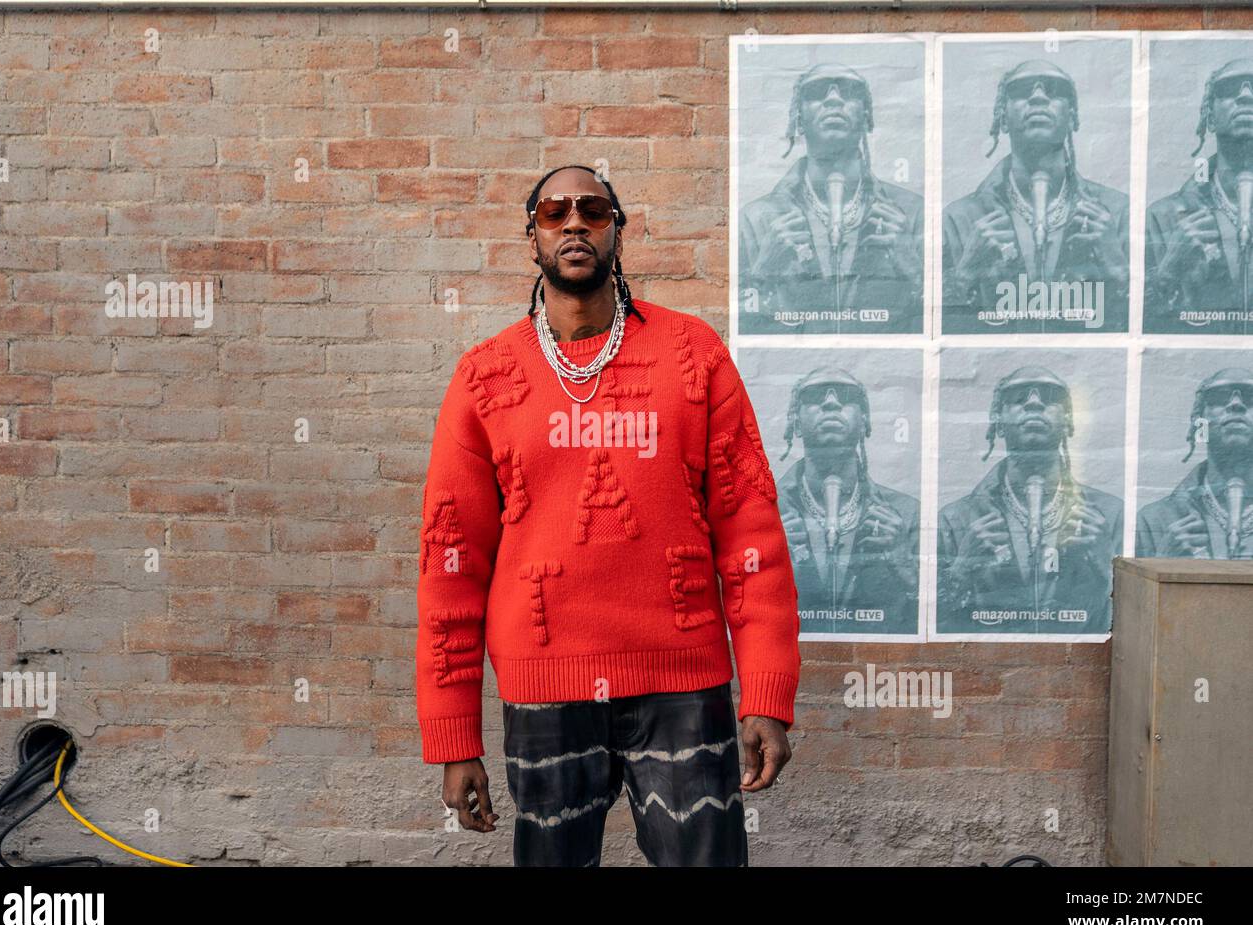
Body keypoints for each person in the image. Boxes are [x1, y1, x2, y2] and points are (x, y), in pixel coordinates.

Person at [415, 163, 801, 866]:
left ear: (617, 232)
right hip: (544, 689)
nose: (573, 223)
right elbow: (451, 565)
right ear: (531, 237)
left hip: (683, 684)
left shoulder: (695, 354)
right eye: (553, 212)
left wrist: (766, 694)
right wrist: (453, 738)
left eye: (593, 210)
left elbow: (751, 532)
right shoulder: (485, 375)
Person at [941, 60, 1129, 333]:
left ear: (1073, 116)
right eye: (1022, 91)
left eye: (1054, 90)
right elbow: (933, 324)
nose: (1038, 97)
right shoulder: (958, 218)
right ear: (1002, 117)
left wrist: (1119, 270)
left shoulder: (1119, 212)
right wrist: (964, 274)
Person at [738, 62, 924, 333]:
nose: (834, 99)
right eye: (817, 92)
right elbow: (736, 323)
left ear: (866, 114)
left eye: (849, 92)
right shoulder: (755, 219)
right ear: (798, 116)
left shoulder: (913, 212)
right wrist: (764, 270)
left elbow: (947, 316)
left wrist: (912, 267)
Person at [937, 366, 1123, 633]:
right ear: (998, 420)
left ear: (1068, 420)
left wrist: (1106, 565)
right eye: (1018, 397)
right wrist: (962, 569)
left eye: (1049, 397)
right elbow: (932, 621)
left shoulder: (1112, 514)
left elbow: (1136, 620)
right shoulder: (955, 519)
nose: (1034, 403)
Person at [775, 367, 919, 633]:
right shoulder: (765, 510)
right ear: (795, 423)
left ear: (865, 422)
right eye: (816, 396)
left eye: (846, 396)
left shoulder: (906, 514)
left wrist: (904, 564)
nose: (831, 402)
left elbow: (937, 614)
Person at [1145, 60, 1253, 329]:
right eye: (1229, 89)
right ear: (1210, 117)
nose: (1246, 95)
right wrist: (1168, 271)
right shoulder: (1163, 217)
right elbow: (1141, 324)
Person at [1137, 368, 1253, 557]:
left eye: (1251, 397)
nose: (1236, 404)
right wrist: (1163, 563)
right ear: (1200, 424)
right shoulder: (1155, 520)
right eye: (1219, 397)